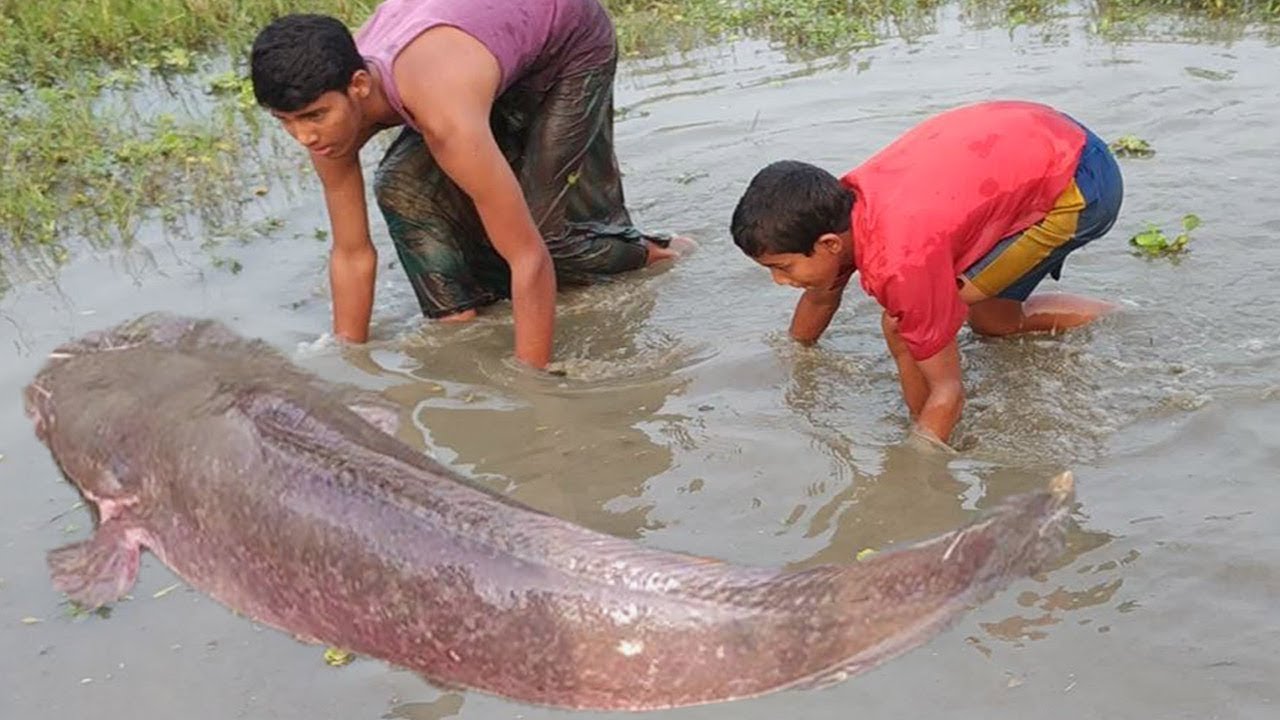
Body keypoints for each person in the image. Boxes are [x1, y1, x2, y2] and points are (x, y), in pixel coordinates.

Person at [249, 0, 688, 369]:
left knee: (545, 233)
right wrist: (348, 360)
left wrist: (531, 383)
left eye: (314, 117)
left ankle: (657, 252)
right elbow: (351, 252)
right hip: (478, 48)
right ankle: (459, 325)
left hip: (568, 42)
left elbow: (528, 256)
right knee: (402, 186)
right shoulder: (322, 113)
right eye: (284, 121)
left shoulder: (443, 114)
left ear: (359, 85)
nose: (303, 137)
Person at [729, 100, 1123, 447]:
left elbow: (947, 391)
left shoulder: (901, 261)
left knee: (900, 325)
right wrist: (792, 358)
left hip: (1079, 186)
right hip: (1046, 135)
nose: (779, 280)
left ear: (829, 244)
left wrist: (915, 472)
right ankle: (1115, 314)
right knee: (992, 323)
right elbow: (821, 294)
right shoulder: (841, 207)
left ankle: (1123, 319)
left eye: (782, 268)